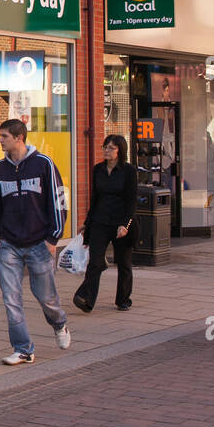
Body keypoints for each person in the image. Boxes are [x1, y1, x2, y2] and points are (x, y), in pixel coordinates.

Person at [0, 118, 71, 365]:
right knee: (10, 298)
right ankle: (23, 348)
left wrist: (53, 237)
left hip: (39, 243)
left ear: (19, 138)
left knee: (46, 296)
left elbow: (58, 200)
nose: (0, 140)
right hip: (10, 244)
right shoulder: (0, 169)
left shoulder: (43, 164)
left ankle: (59, 323)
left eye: (4, 136)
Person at [73, 134, 137, 313]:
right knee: (95, 261)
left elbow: (131, 201)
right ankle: (87, 299)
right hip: (100, 221)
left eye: (111, 148)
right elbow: (95, 198)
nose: (106, 150)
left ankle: (123, 299)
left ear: (120, 150)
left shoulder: (129, 171)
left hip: (121, 223)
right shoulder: (98, 169)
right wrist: (87, 223)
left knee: (124, 263)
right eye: (105, 147)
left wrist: (125, 224)